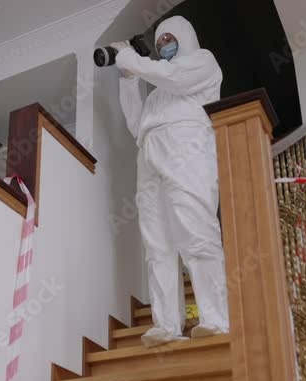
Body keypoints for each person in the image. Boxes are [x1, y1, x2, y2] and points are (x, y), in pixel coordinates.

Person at [113, 16, 229, 348]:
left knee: (196, 234)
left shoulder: (202, 62)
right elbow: (137, 124)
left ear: (185, 36)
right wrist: (128, 79)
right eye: (160, 41)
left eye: (169, 38)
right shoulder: (156, 94)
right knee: (157, 245)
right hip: (149, 155)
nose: (163, 45)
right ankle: (166, 323)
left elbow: (174, 77)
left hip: (187, 150)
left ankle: (217, 319)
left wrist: (134, 59)